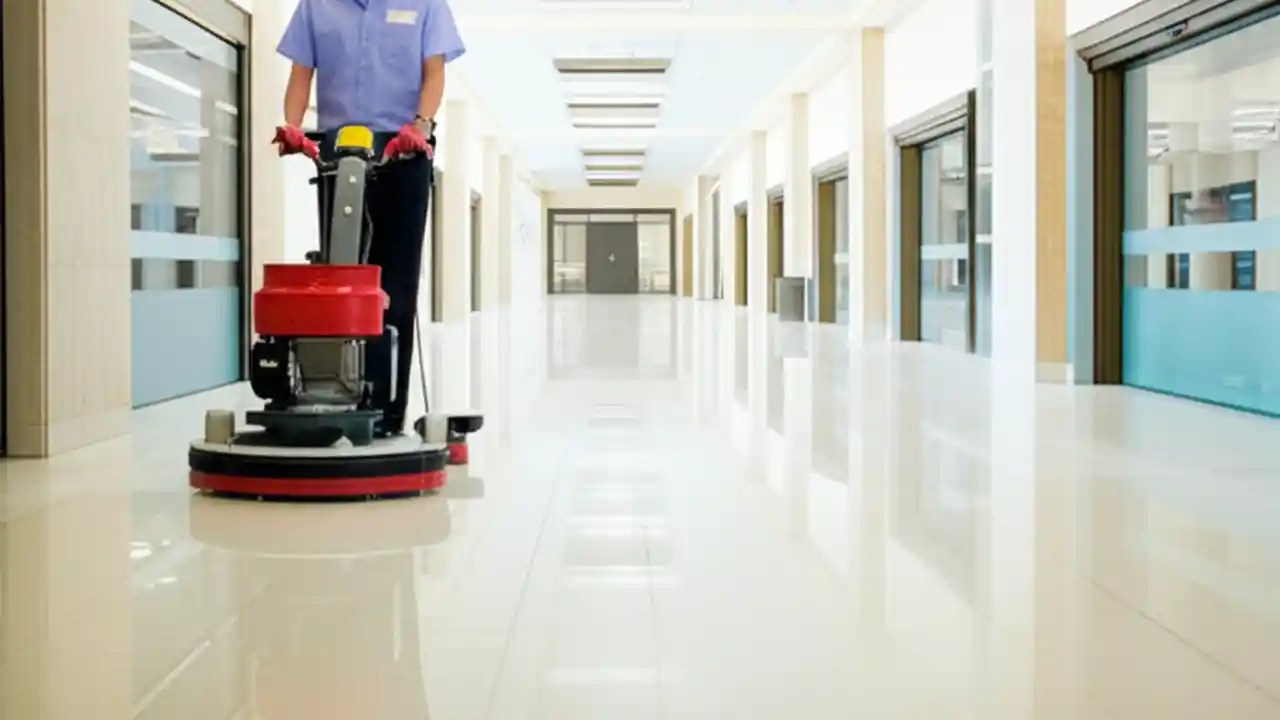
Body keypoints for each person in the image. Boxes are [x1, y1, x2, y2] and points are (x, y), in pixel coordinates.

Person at [273, 0, 465, 436]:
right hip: (336, 154)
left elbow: (433, 73)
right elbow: (301, 75)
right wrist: (293, 127)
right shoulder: (316, 6)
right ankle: (332, 391)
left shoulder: (425, 4)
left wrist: (422, 125)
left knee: (395, 283)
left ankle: (388, 411)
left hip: (404, 150)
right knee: (339, 276)